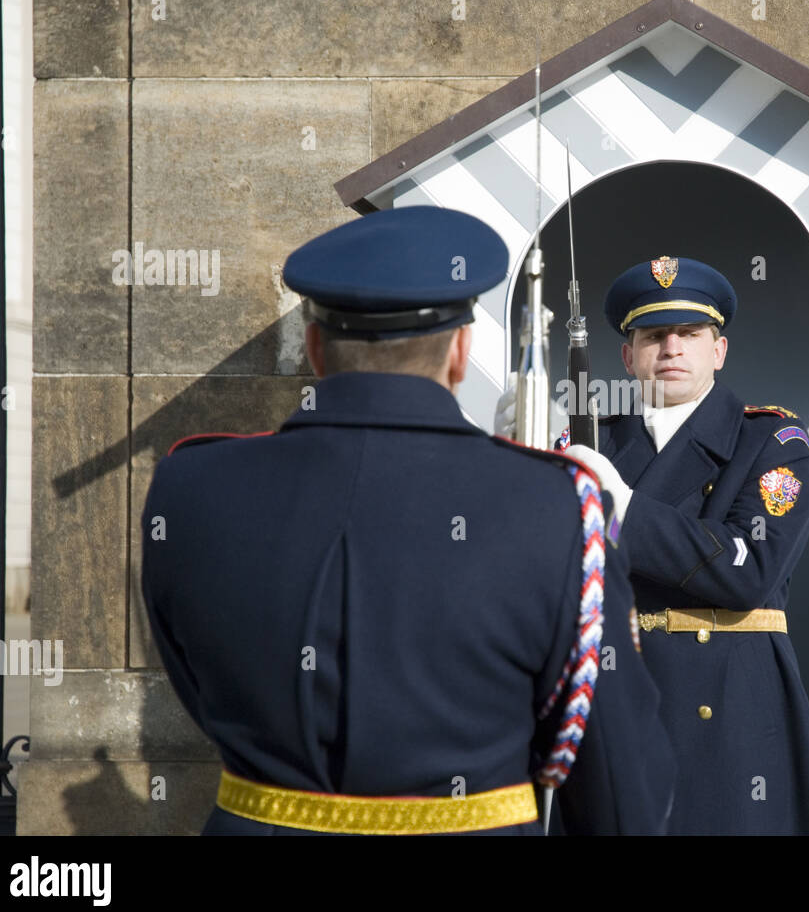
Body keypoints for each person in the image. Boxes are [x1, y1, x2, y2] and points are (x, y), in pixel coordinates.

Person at [140, 206, 675, 835]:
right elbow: (620, 788)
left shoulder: (190, 486)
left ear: (315, 348)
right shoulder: (560, 509)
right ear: (460, 351)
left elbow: (202, 692)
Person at [502, 255, 809, 834]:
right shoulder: (589, 443)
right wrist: (515, 463)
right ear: (628, 357)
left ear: (718, 351)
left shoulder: (773, 441)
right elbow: (532, 572)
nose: (673, 348)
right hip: (614, 704)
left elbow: (746, 571)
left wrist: (619, 504)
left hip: (730, 715)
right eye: (654, 335)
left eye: (691, 334)